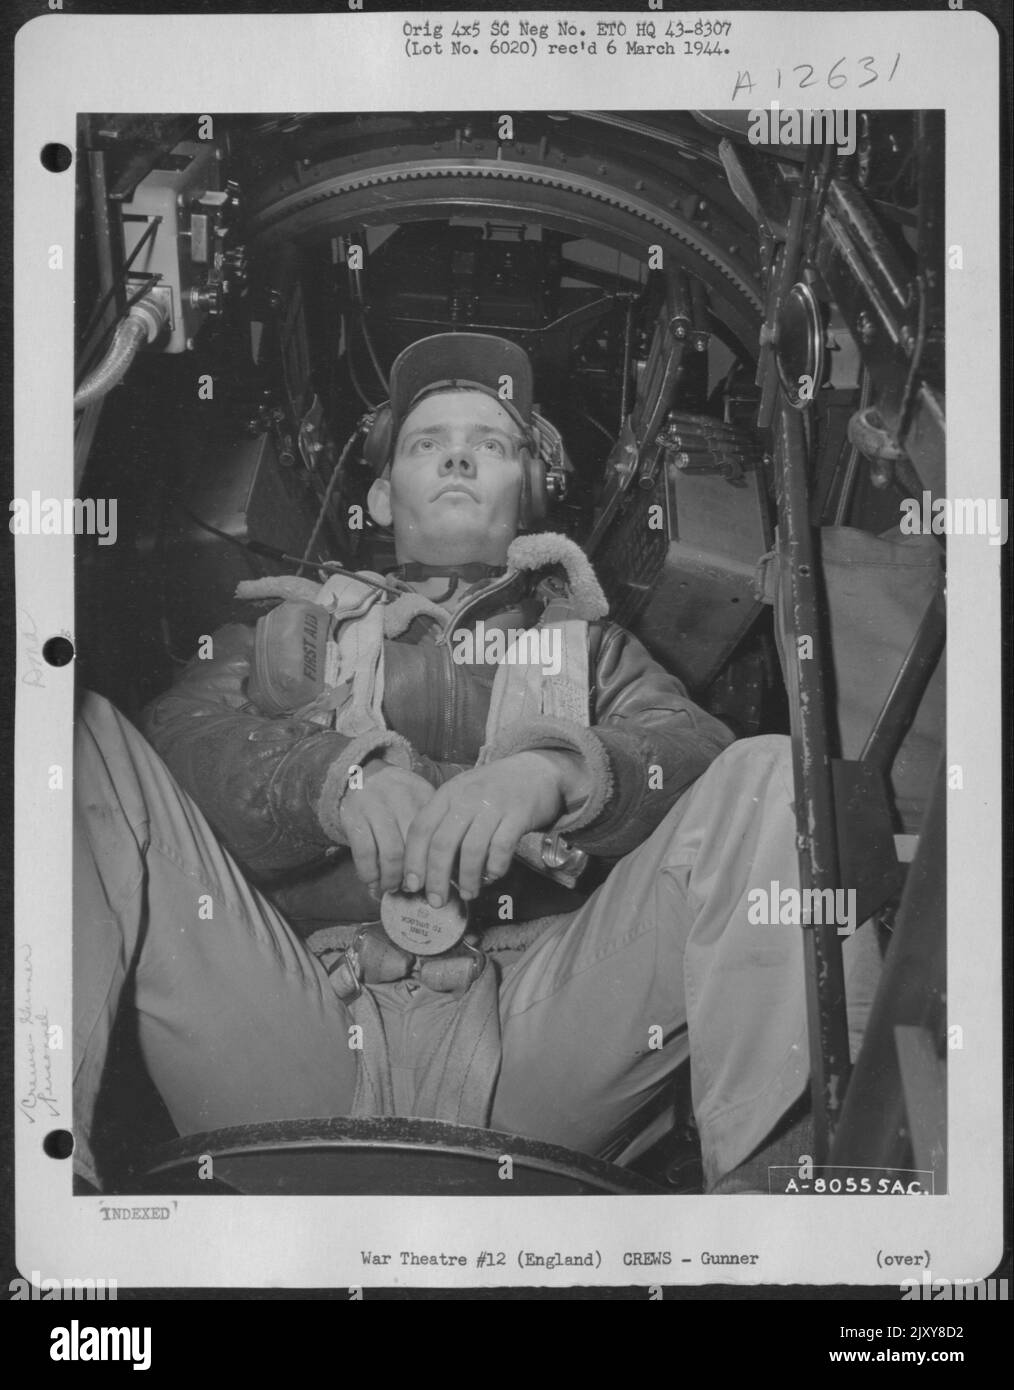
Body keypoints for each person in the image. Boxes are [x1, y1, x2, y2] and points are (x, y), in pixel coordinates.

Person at [73, 332, 875, 1192]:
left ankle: (784, 1215)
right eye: (428, 443)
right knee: (80, 739)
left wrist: (558, 773)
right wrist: (330, 778)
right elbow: (178, 736)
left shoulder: (592, 649)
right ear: (383, 496)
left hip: (535, 1036)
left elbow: (692, 750)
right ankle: (45, 1174)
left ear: (529, 492)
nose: (458, 456)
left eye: (490, 445)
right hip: (301, 1020)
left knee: (770, 779)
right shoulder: (282, 635)